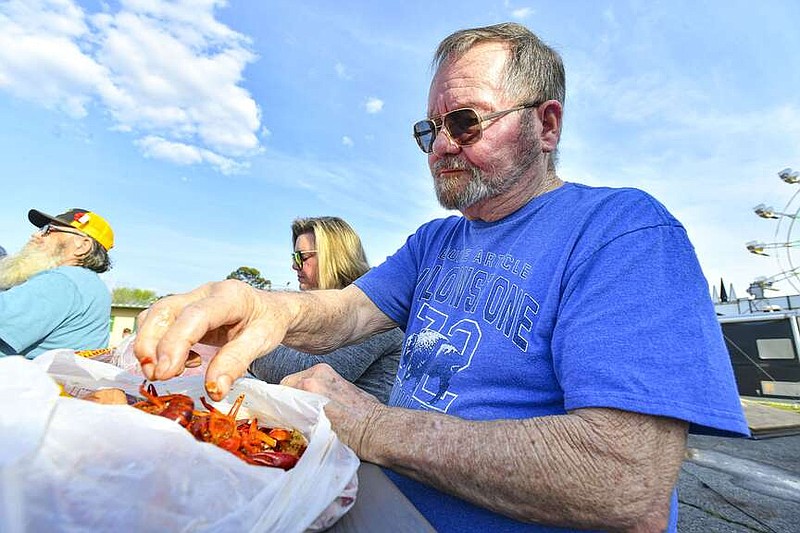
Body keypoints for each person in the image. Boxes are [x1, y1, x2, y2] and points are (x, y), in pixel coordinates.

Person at [133, 23, 749, 531]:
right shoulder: (437, 240)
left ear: (547, 124)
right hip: (371, 503)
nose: (439, 147)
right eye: (430, 130)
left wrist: (372, 427)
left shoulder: (624, 230)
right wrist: (265, 306)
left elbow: (625, 481)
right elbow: (348, 312)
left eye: (465, 123)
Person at [249, 216, 402, 403]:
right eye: (293, 257)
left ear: (335, 257)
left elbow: (307, 373)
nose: (294, 265)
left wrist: (245, 349)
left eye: (301, 257)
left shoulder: (370, 313)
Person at [0, 208, 114, 358]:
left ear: (83, 246)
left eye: (48, 230)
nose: (36, 235)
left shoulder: (61, 281)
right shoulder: (89, 284)